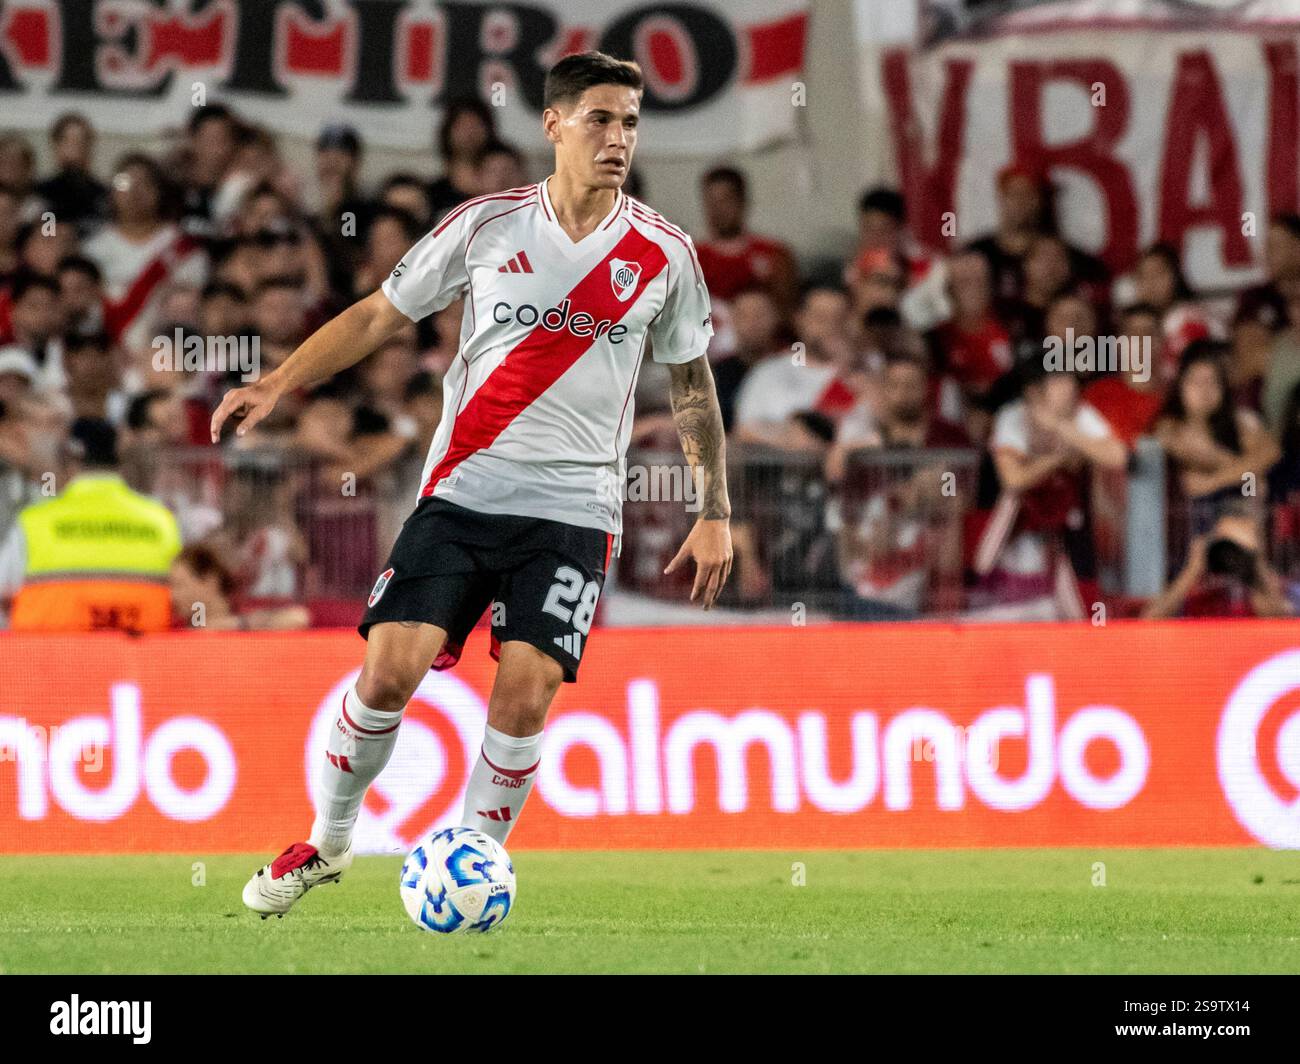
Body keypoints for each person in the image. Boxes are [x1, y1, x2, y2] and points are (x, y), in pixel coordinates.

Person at [211, 52, 732, 918]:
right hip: (461, 494)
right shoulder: (488, 225)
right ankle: (331, 842)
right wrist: (280, 381)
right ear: (554, 125)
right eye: (600, 119)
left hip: (574, 510)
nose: (618, 138)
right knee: (387, 675)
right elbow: (382, 312)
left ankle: (473, 866)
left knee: (526, 695)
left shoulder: (664, 253)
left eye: (631, 122)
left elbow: (690, 382)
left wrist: (714, 507)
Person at [0, 418, 181, 631]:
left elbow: (4, 593)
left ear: (68, 457)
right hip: (140, 658)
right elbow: (186, 598)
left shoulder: (34, 521)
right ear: (119, 458)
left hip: (50, 658)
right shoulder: (161, 519)